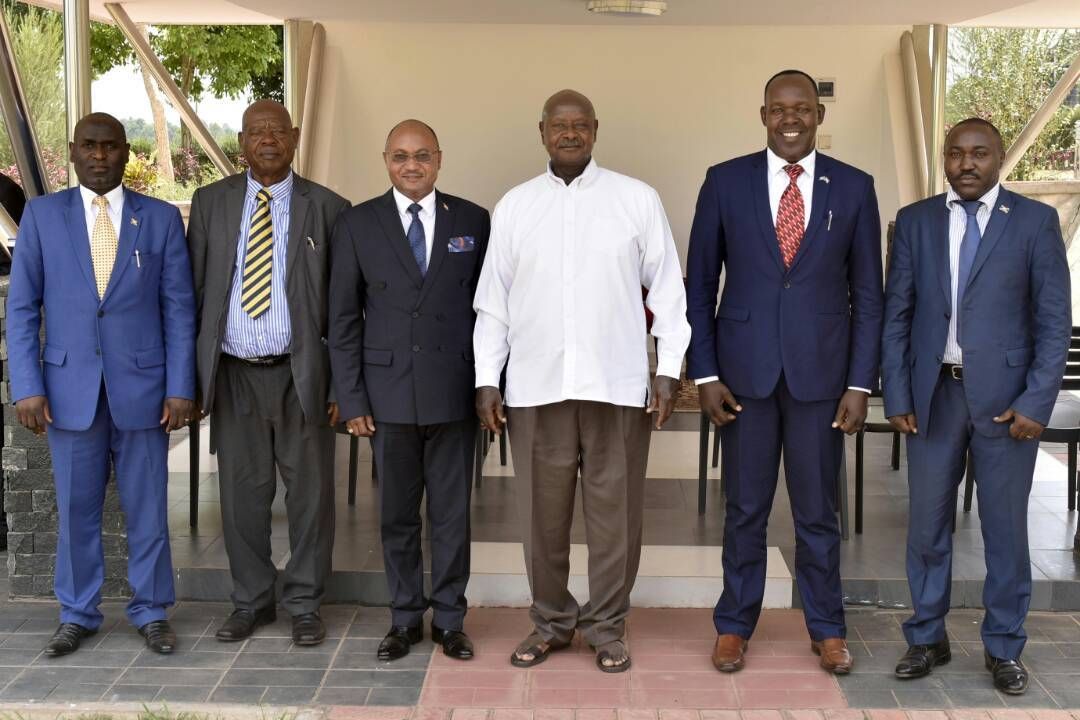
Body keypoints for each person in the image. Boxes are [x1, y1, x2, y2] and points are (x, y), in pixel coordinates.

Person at [474, 89, 690, 673]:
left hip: (615, 387)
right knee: (540, 519)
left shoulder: (635, 199)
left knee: (615, 519)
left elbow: (668, 291)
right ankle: (550, 622)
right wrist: (487, 379)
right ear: (542, 131)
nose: (569, 134)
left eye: (579, 125)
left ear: (595, 129)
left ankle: (607, 627)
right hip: (535, 388)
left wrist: (667, 370)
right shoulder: (515, 206)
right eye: (558, 125)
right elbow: (493, 302)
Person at [685, 69, 883, 675]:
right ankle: (734, 625)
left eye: (801, 108)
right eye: (778, 108)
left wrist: (860, 383)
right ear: (763, 115)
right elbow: (700, 284)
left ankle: (828, 628)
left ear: (819, 115)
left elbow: (867, 294)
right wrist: (705, 372)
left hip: (821, 379)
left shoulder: (854, 186)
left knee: (818, 512)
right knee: (744, 508)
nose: (789, 118)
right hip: (742, 377)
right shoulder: (725, 181)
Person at [881, 117, 1070, 695]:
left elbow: (1053, 320)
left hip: (1007, 405)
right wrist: (897, 393)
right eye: (956, 153)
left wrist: (1037, 401)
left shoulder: (1034, 221)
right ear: (944, 157)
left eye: (979, 153)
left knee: (1005, 529)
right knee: (926, 527)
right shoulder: (915, 221)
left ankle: (1005, 646)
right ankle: (926, 636)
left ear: (999, 157)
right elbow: (897, 314)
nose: (966, 163)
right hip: (933, 396)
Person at [7, 112, 195, 656]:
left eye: (109, 146)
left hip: (145, 391)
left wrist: (181, 386)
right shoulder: (43, 216)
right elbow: (22, 308)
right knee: (75, 510)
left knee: (148, 508)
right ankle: (77, 612)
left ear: (126, 152)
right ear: (72, 151)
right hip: (68, 391)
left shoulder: (160, 219)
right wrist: (27, 386)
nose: (98, 155)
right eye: (88, 145)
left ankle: (152, 610)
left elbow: (179, 309)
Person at [188, 100, 349, 646]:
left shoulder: (328, 207)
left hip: (302, 375)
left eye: (277, 131)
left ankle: (304, 603)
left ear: (295, 137)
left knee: (310, 498)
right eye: (256, 131)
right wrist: (192, 380)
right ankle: (252, 601)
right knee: (241, 497)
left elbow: (344, 308)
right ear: (241, 142)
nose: (268, 139)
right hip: (234, 375)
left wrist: (341, 385)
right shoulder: (210, 203)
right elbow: (192, 295)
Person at [329, 119, 489, 662]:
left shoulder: (472, 219)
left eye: (422, 155)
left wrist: (488, 384)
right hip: (386, 396)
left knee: (451, 515)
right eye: (400, 156)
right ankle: (403, 619)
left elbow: (490, 310)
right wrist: (352, 398)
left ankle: (450, 620)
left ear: (439, 159)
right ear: (386, 161)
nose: (412, 165)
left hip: (453, 391)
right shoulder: (357, 223)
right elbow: (342, 320)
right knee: (397, 516)